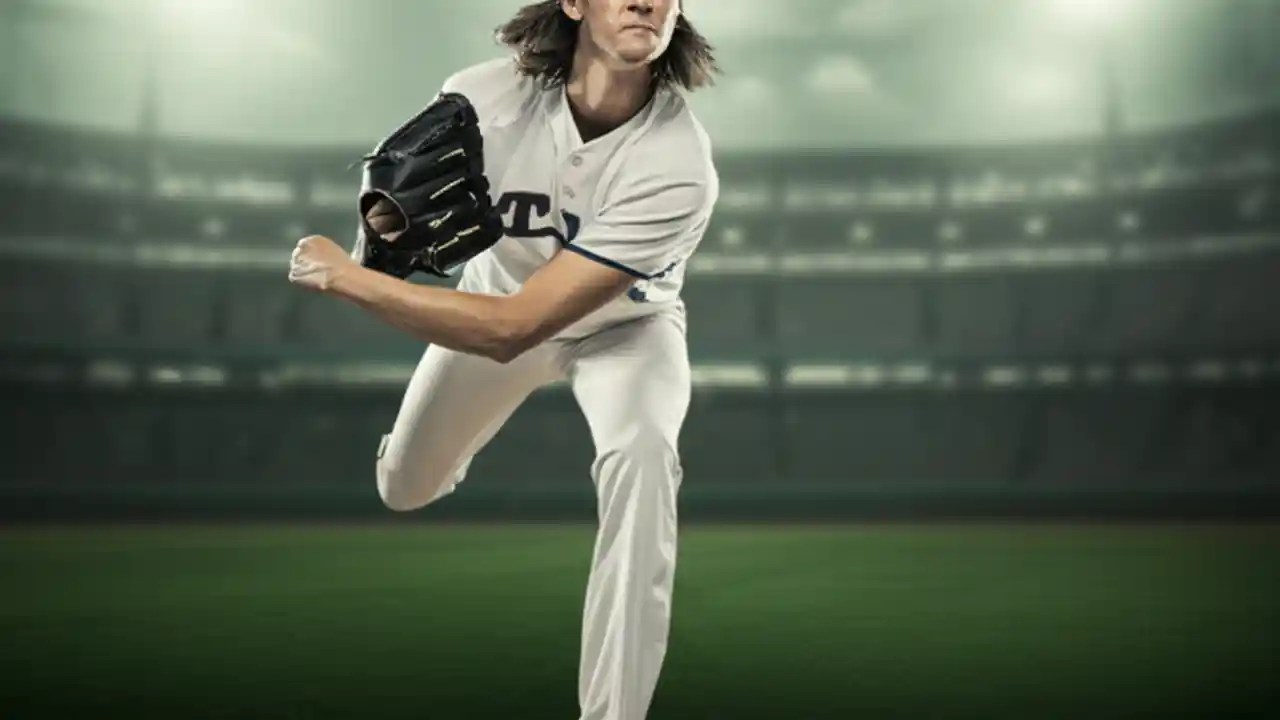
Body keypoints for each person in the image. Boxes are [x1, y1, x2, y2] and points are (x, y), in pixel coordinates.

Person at [287, 1, 718, 717]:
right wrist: (379, 237)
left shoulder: (679, 164)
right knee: (404, 486)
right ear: (574, 3)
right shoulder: (487, 98)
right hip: (498, 290)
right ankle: (430, 450)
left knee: (641, 453)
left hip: (626, 332)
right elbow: (393, 210)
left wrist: (347, 277)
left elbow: (513, 330)